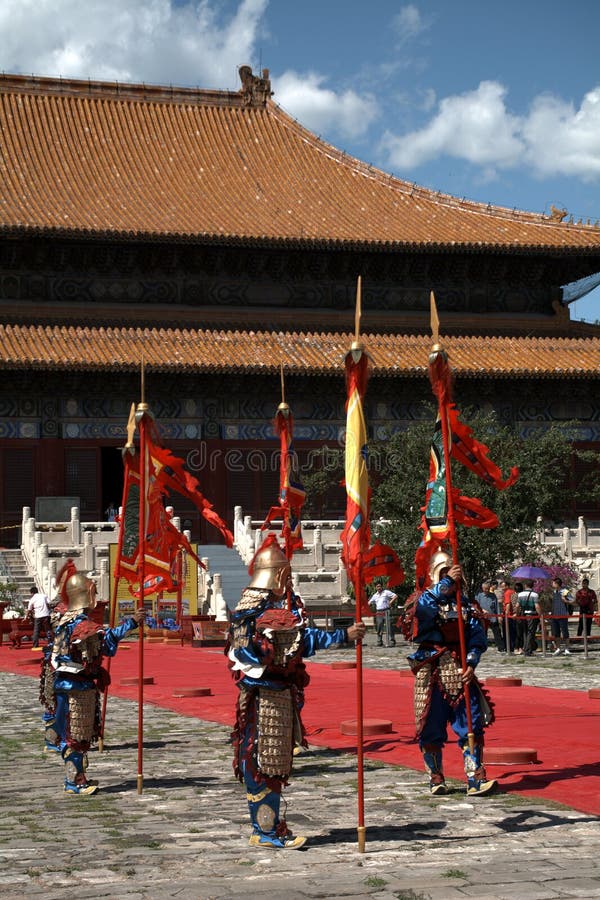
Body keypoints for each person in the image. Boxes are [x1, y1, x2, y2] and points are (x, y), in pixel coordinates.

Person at [227, 535, 366, 849]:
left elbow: (305, 638)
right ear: (277, 573)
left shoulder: (288, 602)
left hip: (283, 691)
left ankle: (270, 825)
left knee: (276, 761)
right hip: (262, 693)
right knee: (262, 759)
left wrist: (343, 634)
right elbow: (241, 648)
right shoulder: (250, 605)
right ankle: (265, 828)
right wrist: (268, 643)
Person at [42, 560, 145, 794]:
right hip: (76, 685)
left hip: (69, 683)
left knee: (77, 732)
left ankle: (78, 776)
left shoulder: (64, 620)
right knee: (76, 735)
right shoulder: (81, 624)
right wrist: (131, 623)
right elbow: (105, 643)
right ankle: (74, 781)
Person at [408, 550, 496, 798]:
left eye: (452, 572)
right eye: (444, 572)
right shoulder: (423, 599)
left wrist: (471, 662)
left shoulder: (467, 604)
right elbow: (422, 611)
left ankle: (474, 776)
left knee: (471, 723)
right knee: (431, 726)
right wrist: (446, 584)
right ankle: (436, 777)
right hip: (432, 669)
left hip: (460, 668)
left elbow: (477, 637)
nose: (449, 576)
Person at [475, 580, 505, 652]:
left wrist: (499, 615)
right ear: (482, 588)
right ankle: (482, 647)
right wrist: (482, 610)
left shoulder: (493, 596)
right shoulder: (479, 595)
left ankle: (501, 647)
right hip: (483, 617)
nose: (487, 590)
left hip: (492, 616)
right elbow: (476, 606)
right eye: (485, 589)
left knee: (497, 631)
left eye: (488, 588)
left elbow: (497, 606)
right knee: (482, 633)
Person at [368, 580, 398, 647]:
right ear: (375, 587)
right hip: (379, 612)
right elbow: (369, 602)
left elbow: (395, 596)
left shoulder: (386, 592)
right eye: (377, 586)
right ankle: (379, 641)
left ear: (382, 586)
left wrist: (390, 602)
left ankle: (392, 641)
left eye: (380, 586)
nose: (379, 588)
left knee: (389, 626)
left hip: (386, 611)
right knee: (379, 626)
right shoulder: (375, 595)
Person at [517, 580, 542, 657]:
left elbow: (517, 605)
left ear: (525, 586)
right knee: (531, 632)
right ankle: (527, 650)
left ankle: (527, 648)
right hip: (532, 615)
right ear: (532, 586)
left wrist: (518, 614)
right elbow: (537, 606)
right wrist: (540, 615)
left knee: (525, 632)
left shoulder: (520, 594)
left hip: (523, 615)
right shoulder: (535, 595)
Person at [550, 577, 572, 655]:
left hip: (562, 614)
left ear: (557, 584)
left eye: (553, 583)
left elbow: (572, 600)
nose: (552, 584)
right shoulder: (554, 592)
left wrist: (565, 600)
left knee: (565, 632)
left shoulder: (565, 591)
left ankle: (567, 648)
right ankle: (558, 648)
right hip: (554, 615)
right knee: (556, 633)